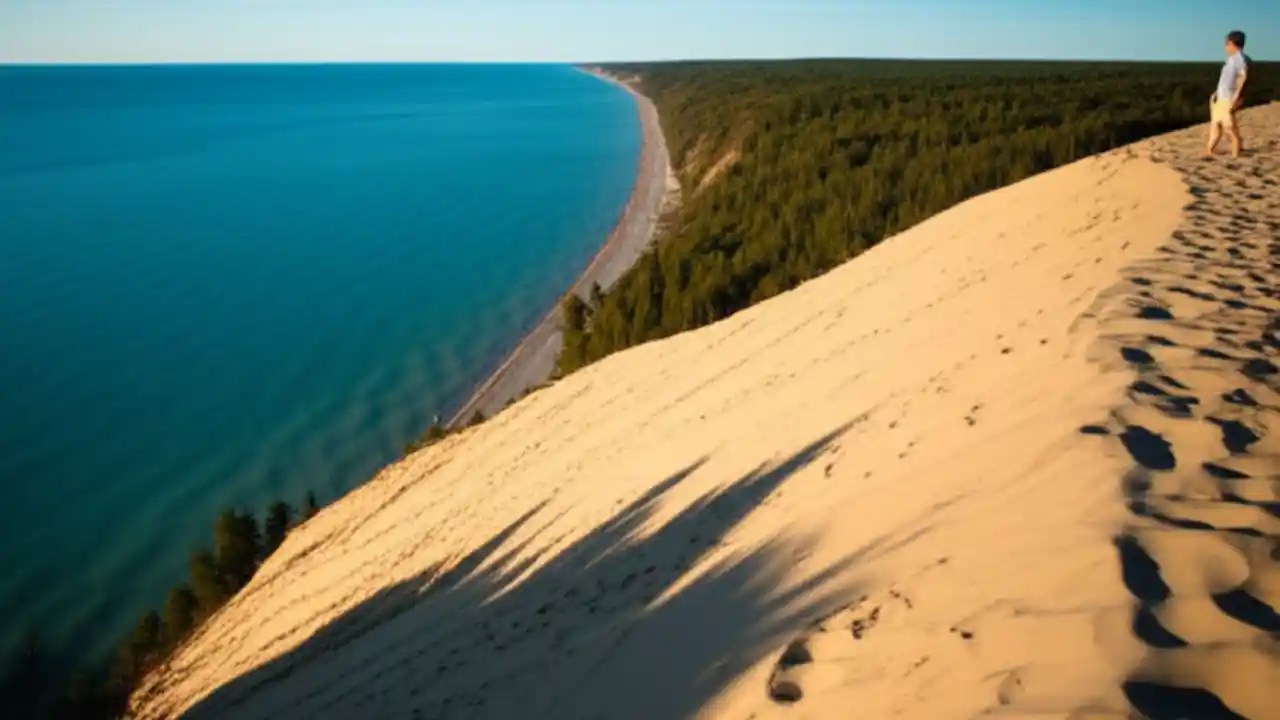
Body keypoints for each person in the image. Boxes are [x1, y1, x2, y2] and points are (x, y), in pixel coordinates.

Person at [1206, 30, 1250, 158]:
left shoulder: (1240, 59)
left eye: (1226, 44)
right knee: (1215, 128)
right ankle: (1209, 152)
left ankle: (1236, 157)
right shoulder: (1232, 59)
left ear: (1231, 43)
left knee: (1230, 130)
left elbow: (1244, 77)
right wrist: (1215, 94)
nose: (1225, 47)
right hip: (1221, 98)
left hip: (1228, 99)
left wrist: (1237, 97)